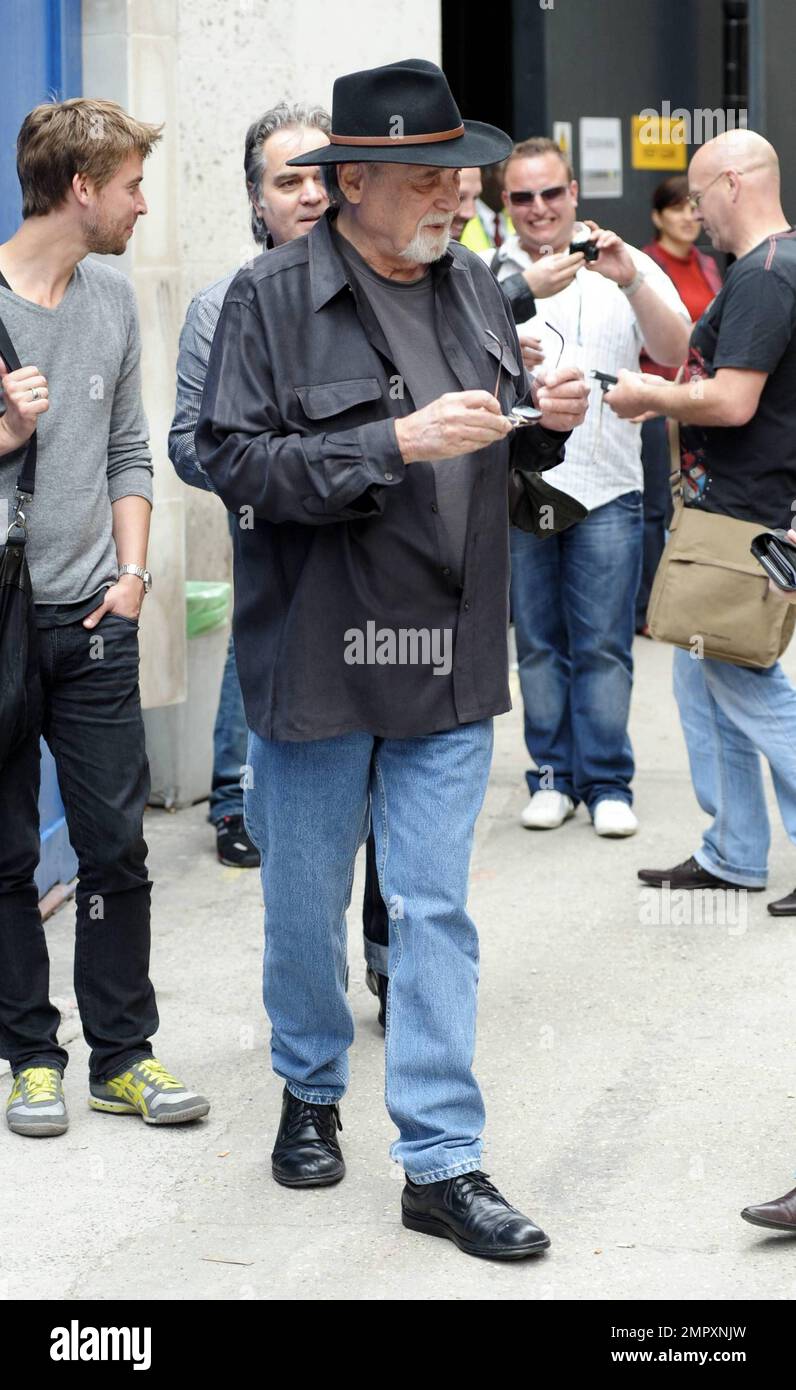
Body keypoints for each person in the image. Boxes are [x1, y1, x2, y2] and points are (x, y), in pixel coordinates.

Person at [196, 58, 589, 1260]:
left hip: (449, 652)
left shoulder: (474, 286)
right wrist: (392, 441)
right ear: (352, 182)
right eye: (428, 177)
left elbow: (499, 443)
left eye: (459, 175)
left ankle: (440, 1159)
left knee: (433, 909)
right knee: (305, 903)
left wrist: (544, 424)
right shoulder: (267, 297)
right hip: (320, 652)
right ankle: (311, 1086)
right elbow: (232, 462)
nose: (456, 194)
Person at [0, 99, 209, 1138]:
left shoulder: (113, 298)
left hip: (93, 620)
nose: (141, 205)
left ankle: (121, 1056)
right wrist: (6, 436)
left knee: (115, 848)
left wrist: (132, 577)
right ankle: (30, 1057)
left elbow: (131, 445)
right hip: (2, 625)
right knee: (4, 856)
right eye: (131, 185)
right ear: (81, 189)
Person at [604, 130, 796, 922]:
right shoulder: (765, 269)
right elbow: (712, 366)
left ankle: (735, 851)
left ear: (732, 184)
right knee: (702, 680)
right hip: (736, 513)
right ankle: (733, 852)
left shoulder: (765, 275)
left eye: (697, 193)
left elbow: (731, 400)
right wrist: (633, 283)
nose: (694, 211)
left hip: (743, 519)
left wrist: (647, 398)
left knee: (749, 687)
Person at [487, 137, 691, 837]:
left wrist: (631, 279)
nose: (539, 208)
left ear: (574, 193)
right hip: (522, 488)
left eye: (552, 192)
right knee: (538, 645)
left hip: (608, 489)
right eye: (523, 196)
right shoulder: (488, 276)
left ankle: (606, 781)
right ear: (505, 204)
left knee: (603, 644)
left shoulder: (621, 261)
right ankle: (551, 777)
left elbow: (674, 351)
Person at [169, 101, 330, 869]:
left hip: (381, 555)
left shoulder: (397, 291)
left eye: (323, 175)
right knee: (258, 654)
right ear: (256, 200)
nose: (312, 194)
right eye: (288, 181)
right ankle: (236, 798)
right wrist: (284, 477)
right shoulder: (219, 308)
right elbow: (186, 444)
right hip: (273, 540)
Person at [635, 175, 723, 635]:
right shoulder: (646, 265)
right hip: (657, 399)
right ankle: (648, 607)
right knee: (655, 505)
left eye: (693, 206)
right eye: (677, 208)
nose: (689, 216)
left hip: (699, 400)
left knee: (695, 503)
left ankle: (686, 599)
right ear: (657, 217)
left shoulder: (707, 263)